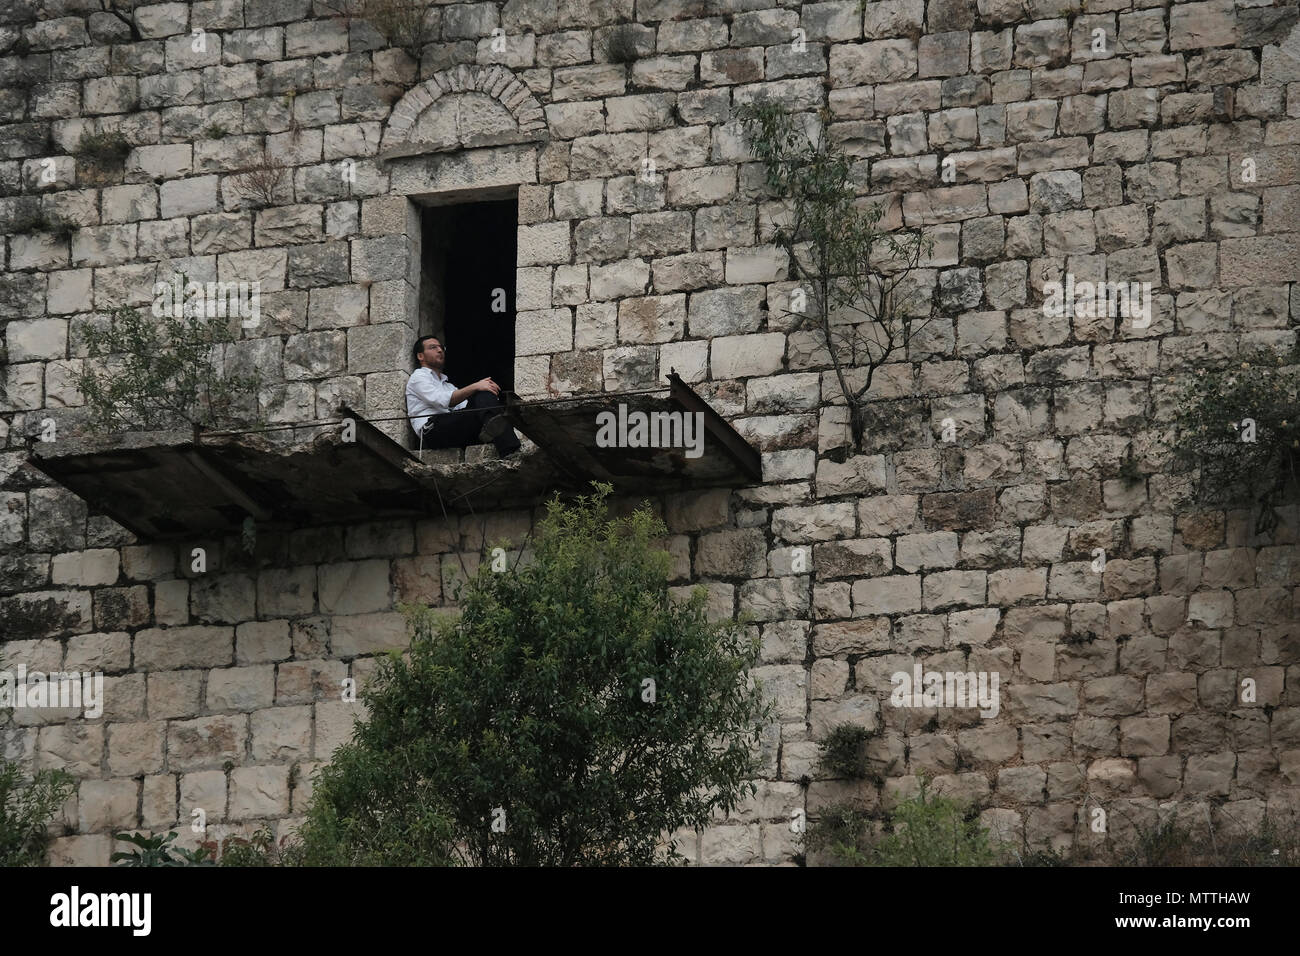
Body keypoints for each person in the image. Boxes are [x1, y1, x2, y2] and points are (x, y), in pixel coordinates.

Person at [406, 335, 521, 456]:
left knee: (484, 395)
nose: (440, 350)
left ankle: (500, 440)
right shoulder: (418, 377)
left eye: (441, 347)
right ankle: (510, 450)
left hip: (452, 427)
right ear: (420, 356)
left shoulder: (448, 386)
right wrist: (476, 386)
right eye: (433, 347)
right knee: (480, 390)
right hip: (432, 430)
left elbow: (464, 407)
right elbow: (444, 401)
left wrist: (487, 397)